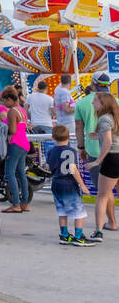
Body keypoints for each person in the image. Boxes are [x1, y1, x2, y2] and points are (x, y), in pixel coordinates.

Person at [47, 124, 95, 246]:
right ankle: (78, 237)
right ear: (69, 136)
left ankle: (64, 235)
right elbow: (73, 169)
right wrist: (82, 185)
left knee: (62, 211)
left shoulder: (51, 151)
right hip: (68, 183)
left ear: (53, 137)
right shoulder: (70, 151)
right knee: (79, 212)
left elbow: (47, 167)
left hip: (56, 183)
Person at [86, 92, 119, 243]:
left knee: (102, 196)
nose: (93, 103)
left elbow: (108, 142)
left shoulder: (104, 118)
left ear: (103, 103)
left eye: (95, 101)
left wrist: (97, 161)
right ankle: (110, 224)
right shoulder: (115, 116)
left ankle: (98, 231)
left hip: (112, 158)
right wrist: (97, 135)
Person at [0, 87, 32, 214]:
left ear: (10, 99)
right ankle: (24, 203)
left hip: (15, 143)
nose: (3, 104)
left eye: (4, 101)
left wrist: (2, 125)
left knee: (9, 173)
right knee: (21, 173)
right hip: (24, 144)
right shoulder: (22, 110)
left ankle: (15, 204)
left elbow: (12, 130)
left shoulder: (12, 111)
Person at [74, 75, 106, 163]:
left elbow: (79, 128)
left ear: (92, 84)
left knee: (96, 177)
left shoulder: (81, 103)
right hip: (114, 149)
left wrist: (81, 147)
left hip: (93, 150)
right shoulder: (116, 101)